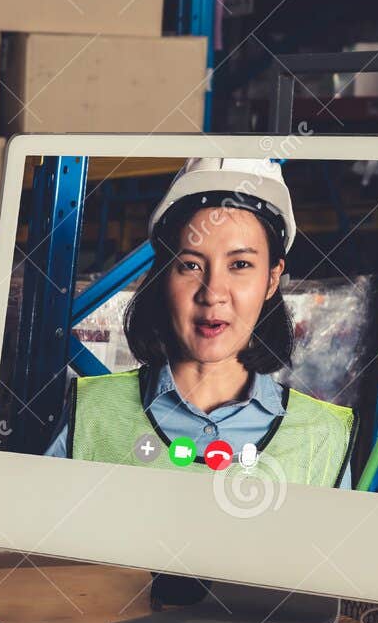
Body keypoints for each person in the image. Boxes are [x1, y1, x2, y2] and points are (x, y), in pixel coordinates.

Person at [45, 158, 357, 488]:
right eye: (191, 265)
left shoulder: (322, 436)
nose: (213, 294)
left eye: (240, 264)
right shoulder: (92, 413)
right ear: (165, 277)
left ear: (272, 278)